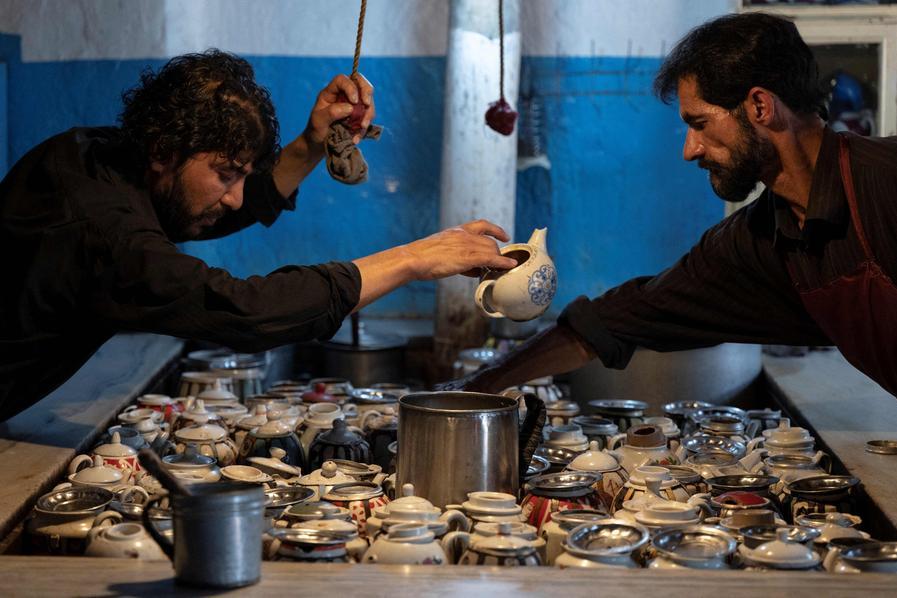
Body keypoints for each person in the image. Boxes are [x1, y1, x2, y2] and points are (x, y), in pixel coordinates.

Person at [0, 49, 517, 420]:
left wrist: (314, 143)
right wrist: (415, 259)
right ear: (163, 150)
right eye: (227, 173)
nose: (236, 198)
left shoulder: (99, 156)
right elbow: (246, 310)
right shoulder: (103, 234)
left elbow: (192, 211)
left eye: (244, 175)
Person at [450, 12, 897, 397]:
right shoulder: (760, 239)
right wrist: (480, 386)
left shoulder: (884, 182)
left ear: (760, 106)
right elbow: (627, 316)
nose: (690, 150)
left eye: (699, 123)